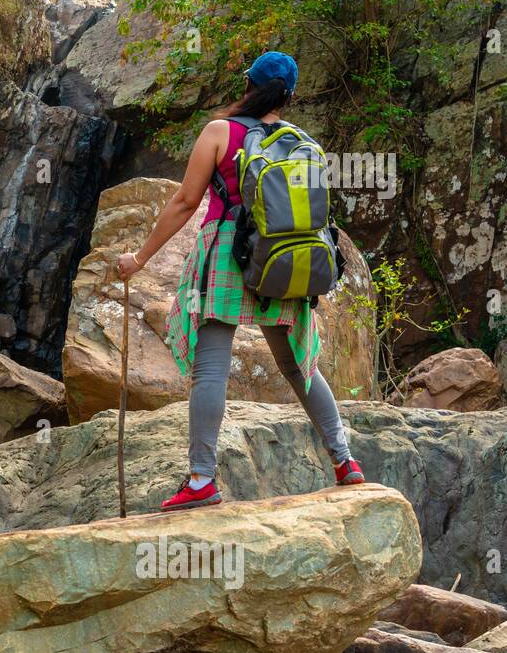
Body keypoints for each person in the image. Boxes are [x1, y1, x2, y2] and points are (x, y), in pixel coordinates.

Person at [115, 51, 365, 511]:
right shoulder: (303, 141)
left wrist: (140, 258)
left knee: (210, 367)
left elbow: (185, 201)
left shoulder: (219, 132)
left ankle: (202, 480)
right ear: (288, 95)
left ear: (249, 83)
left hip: (229, 253)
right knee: (297, 366)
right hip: (284, 257)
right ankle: (346, 462)